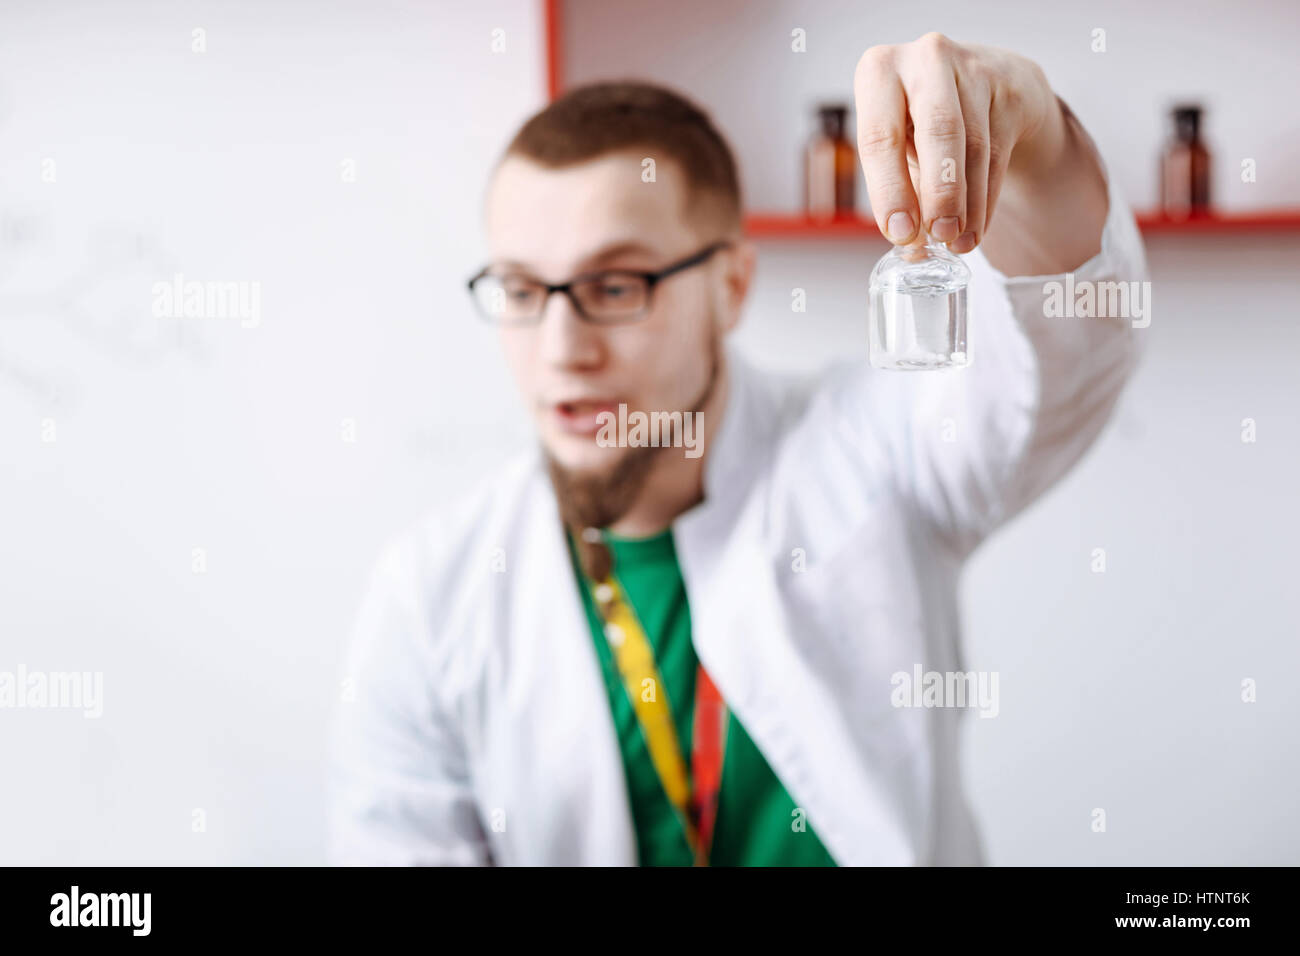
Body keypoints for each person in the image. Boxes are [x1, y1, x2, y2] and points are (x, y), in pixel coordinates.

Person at [328, 32, 1147, 866]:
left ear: (732, 287)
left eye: (615, 286)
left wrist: (1038, 141)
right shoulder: (432, 598)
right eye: (523, 291)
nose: (560, 348)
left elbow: (1069, 351)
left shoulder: (871, 449)